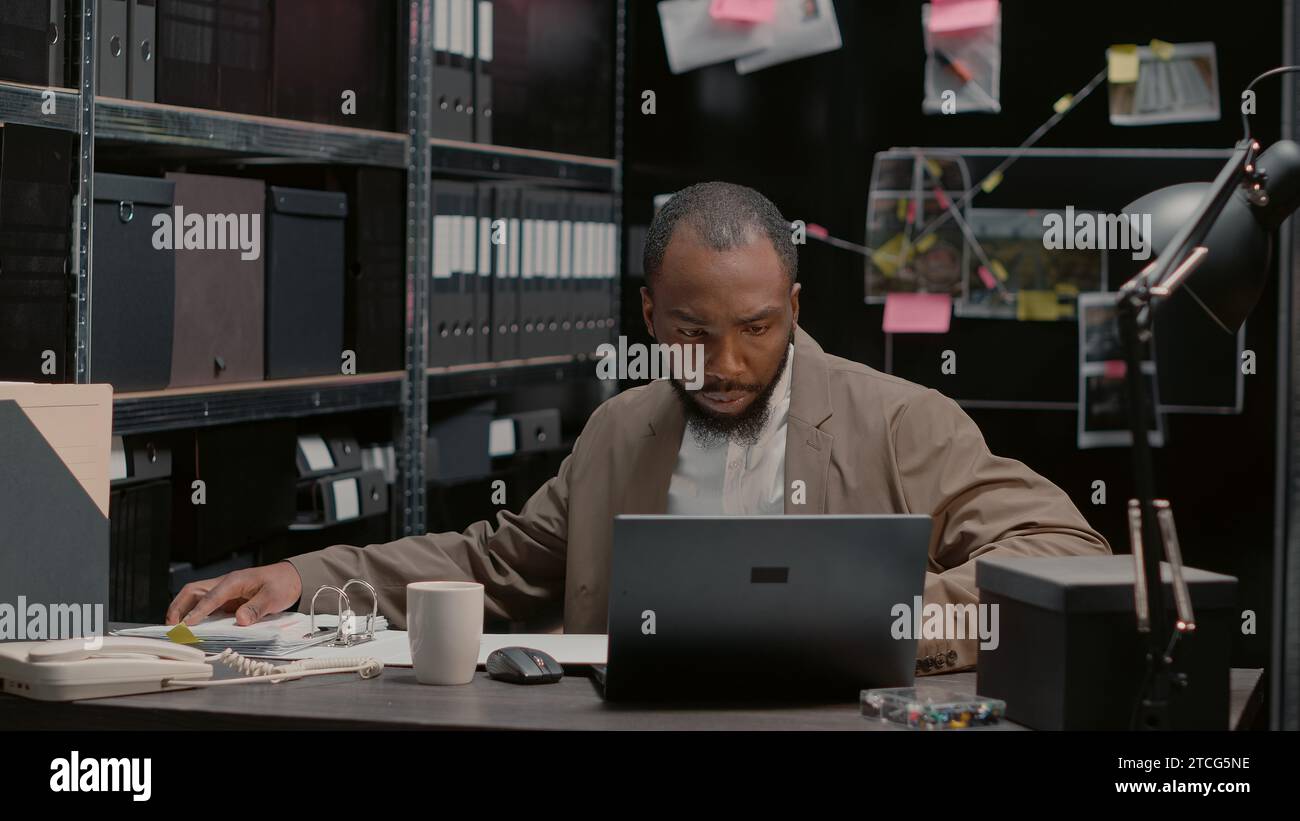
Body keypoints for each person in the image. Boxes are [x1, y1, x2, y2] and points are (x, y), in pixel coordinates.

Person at [166, 181, 1110, 673]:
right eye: (695, 333)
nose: (728, 366)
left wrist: (886, 612)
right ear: (650, 315)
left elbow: (1068, 549)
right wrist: (302, 576)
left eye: (757, 329)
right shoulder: (620, 430)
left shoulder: (901, 422)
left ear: (794, 303)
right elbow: (494, 565)